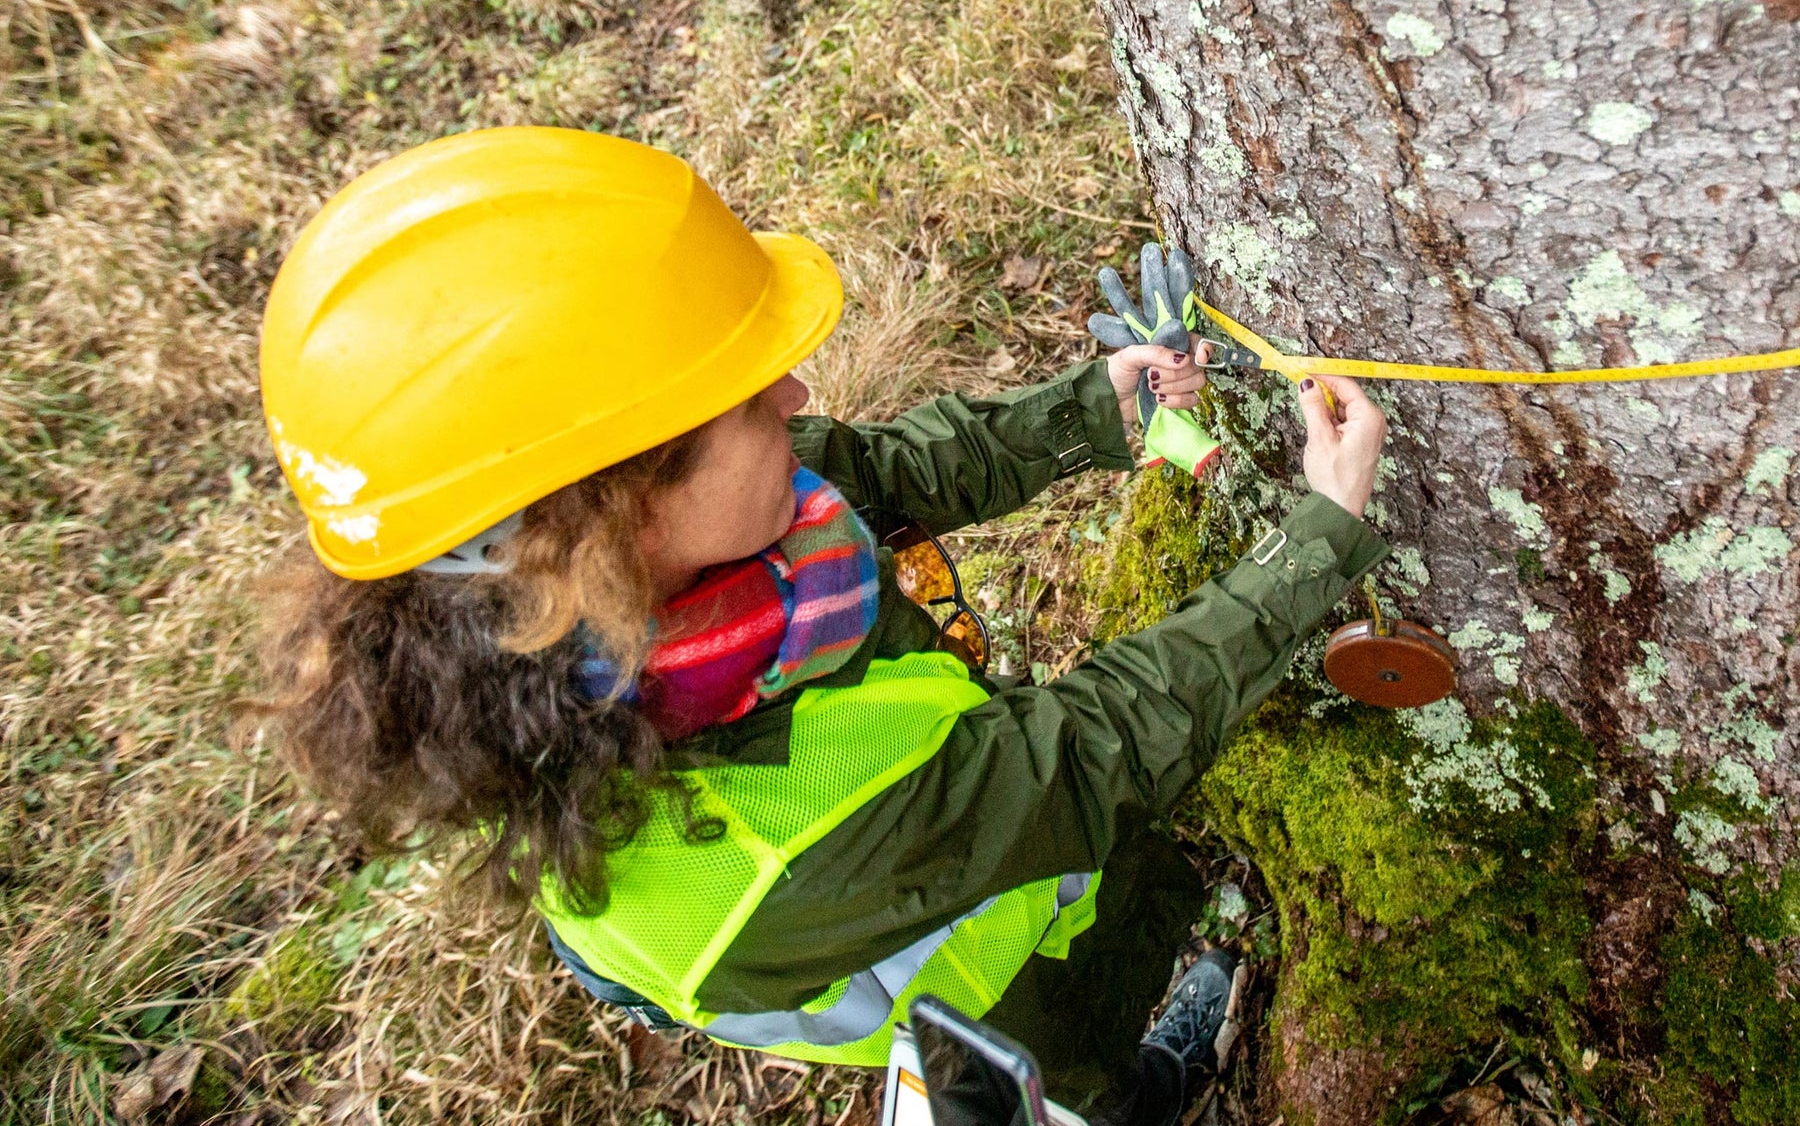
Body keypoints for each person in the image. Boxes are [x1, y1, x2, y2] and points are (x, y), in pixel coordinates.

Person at [252, 126, 1389, 1126]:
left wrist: (1096, 411)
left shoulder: (595, 572)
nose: (794, 398)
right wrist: (1314, 540)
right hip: (976, 976)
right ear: (612, 516)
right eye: (752, 400)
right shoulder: (765, 852)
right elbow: (1083, 756)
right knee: (1066, 1062)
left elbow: (869, 474)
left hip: (959, 856)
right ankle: (1135, 1097)